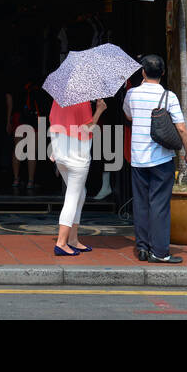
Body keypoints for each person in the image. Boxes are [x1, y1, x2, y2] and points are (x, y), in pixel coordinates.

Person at [123, 54, 187, 264]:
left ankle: (142, 248)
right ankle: (159, 251)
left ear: (143, 72)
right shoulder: (169, 96)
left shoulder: (131, 94)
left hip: (138, 159)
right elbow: (182, 129)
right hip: (162, 159)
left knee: (140, 204)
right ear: (163, 73)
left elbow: (129, 116)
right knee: (160, 205)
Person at [49, 96, 106, 256]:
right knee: (73, 196)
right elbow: (88, 128)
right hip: (77, 156)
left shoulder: (58, 98)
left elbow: (52, 120)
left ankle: (72, 239)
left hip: (60, 153)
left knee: (80, 194)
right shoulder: (83, 101)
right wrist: (99, 111)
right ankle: (61, 242)